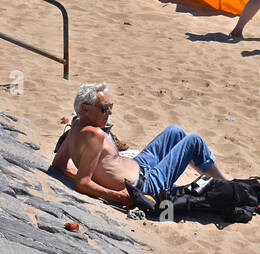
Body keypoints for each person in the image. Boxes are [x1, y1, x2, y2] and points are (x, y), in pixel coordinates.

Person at [50, 83, 228, 206]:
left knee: (175, 132)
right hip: (145, 184)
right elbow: (82, 183)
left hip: (139, 165)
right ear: (85, 109)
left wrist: (88, 175)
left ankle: (215, 178)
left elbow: (58, 164)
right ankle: (226, 183)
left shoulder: (75, 127)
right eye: (104, 108)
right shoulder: (95, 135)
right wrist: (117, 196)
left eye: (110, 106)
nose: (110, 112)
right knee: (194, 141)